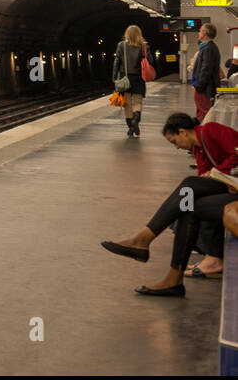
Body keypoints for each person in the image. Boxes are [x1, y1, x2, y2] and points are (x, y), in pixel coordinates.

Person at [101, 112, 238, 296]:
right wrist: (214, 176)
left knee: (189, 184)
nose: (176, 147)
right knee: (188, 207)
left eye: (174, 141)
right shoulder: (199, 151)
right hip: (230, 189)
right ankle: (174, 279)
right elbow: (206, 181)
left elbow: (236, 153)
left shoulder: (211, 130)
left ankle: (143, 239)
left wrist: (218, 172)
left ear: (183, 132)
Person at [112, 24, 148, 136]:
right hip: (138, 77)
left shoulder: (121, 45)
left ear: (127, 34)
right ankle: (135, 120)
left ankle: (130, 127)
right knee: (137, 102)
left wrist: (114, 77)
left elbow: (116, 62)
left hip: (125, 77)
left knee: (127, 104)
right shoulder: (143, 46)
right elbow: (150, 61)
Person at [190, 22, 222, 121]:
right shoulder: (208, 47)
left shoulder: (208, 49)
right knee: (201, 114)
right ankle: (201, 134)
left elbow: (206, 69)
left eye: (200, 31)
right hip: (204, 87)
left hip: (205, 89)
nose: (199, 33)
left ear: (204, 33)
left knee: (206, 113)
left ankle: (206, 134)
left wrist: (199, 86)